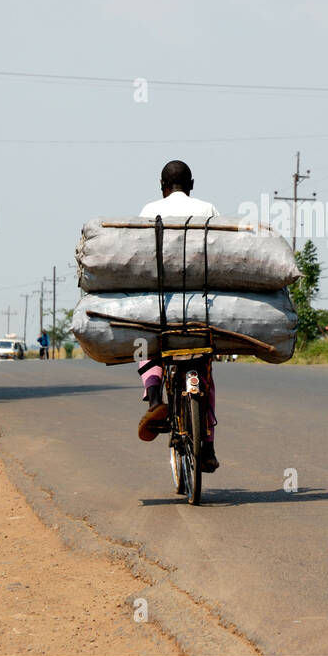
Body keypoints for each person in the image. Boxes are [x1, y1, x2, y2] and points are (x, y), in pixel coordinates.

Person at [135, 160, 222, 473]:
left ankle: (155, 397)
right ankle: (208, 446)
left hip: (160, 305)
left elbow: (140, 258)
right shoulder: (208, 208)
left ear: (162, 185)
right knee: (206, 374)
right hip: (201, 307)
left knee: (146, 341)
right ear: (192, 184)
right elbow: (220, 254)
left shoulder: (149, 210)